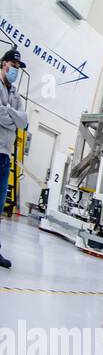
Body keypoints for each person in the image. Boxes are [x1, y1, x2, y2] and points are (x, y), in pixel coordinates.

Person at [0, 48, 28, 270]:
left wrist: (8, 112)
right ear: (4, 64)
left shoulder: (16, 95)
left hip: (5, 156)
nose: (15, 70)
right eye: (13, 66)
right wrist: (11, 115)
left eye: (18, 68)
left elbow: (23, 122)